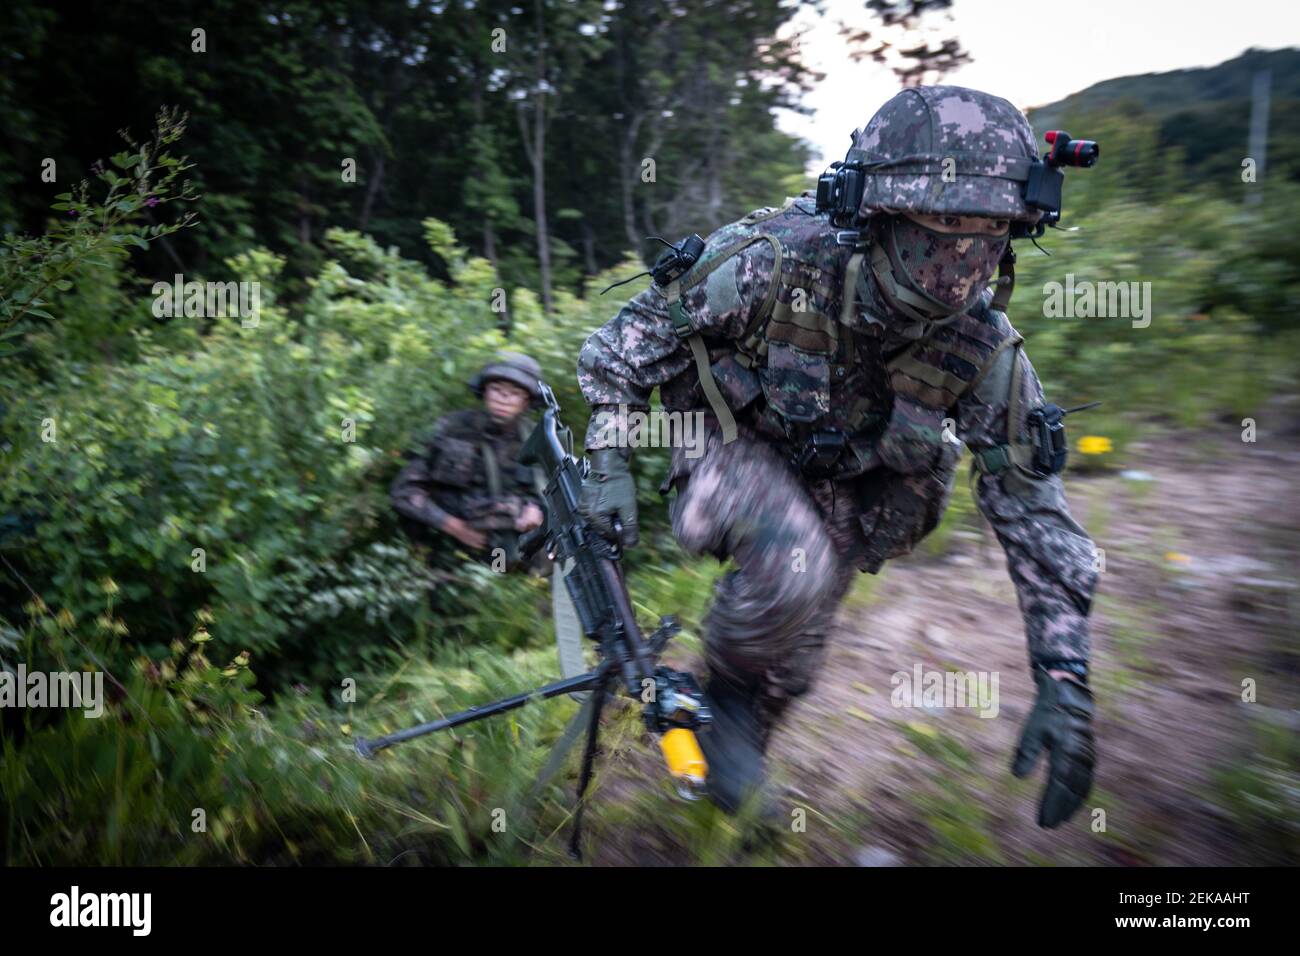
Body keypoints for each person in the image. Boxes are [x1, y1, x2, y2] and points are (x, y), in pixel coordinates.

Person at [574, 85, 1098, 828]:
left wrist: (1065, 668)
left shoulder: (983, 349)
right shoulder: (771, 263)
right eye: (945, 224)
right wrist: (608, 460)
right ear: (879, 216)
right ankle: (720, 696)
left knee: (788, 669)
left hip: (851, 484)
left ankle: (726, 772)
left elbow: (1032, 506)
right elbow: (624, 347)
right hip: (730, 444)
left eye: (991, 230)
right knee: (793, 572)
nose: (963, 258)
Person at [391, 351, 546, 569]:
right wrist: (454, 527)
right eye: (497, 390)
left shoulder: (540, 439)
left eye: (514, 393)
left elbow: (566, 496)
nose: (504, 398)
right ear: (484, 392)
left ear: (526, 401)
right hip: (452, 557)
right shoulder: (450, 429)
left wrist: (537, 508)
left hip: (518, 565)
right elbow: (404, 493)